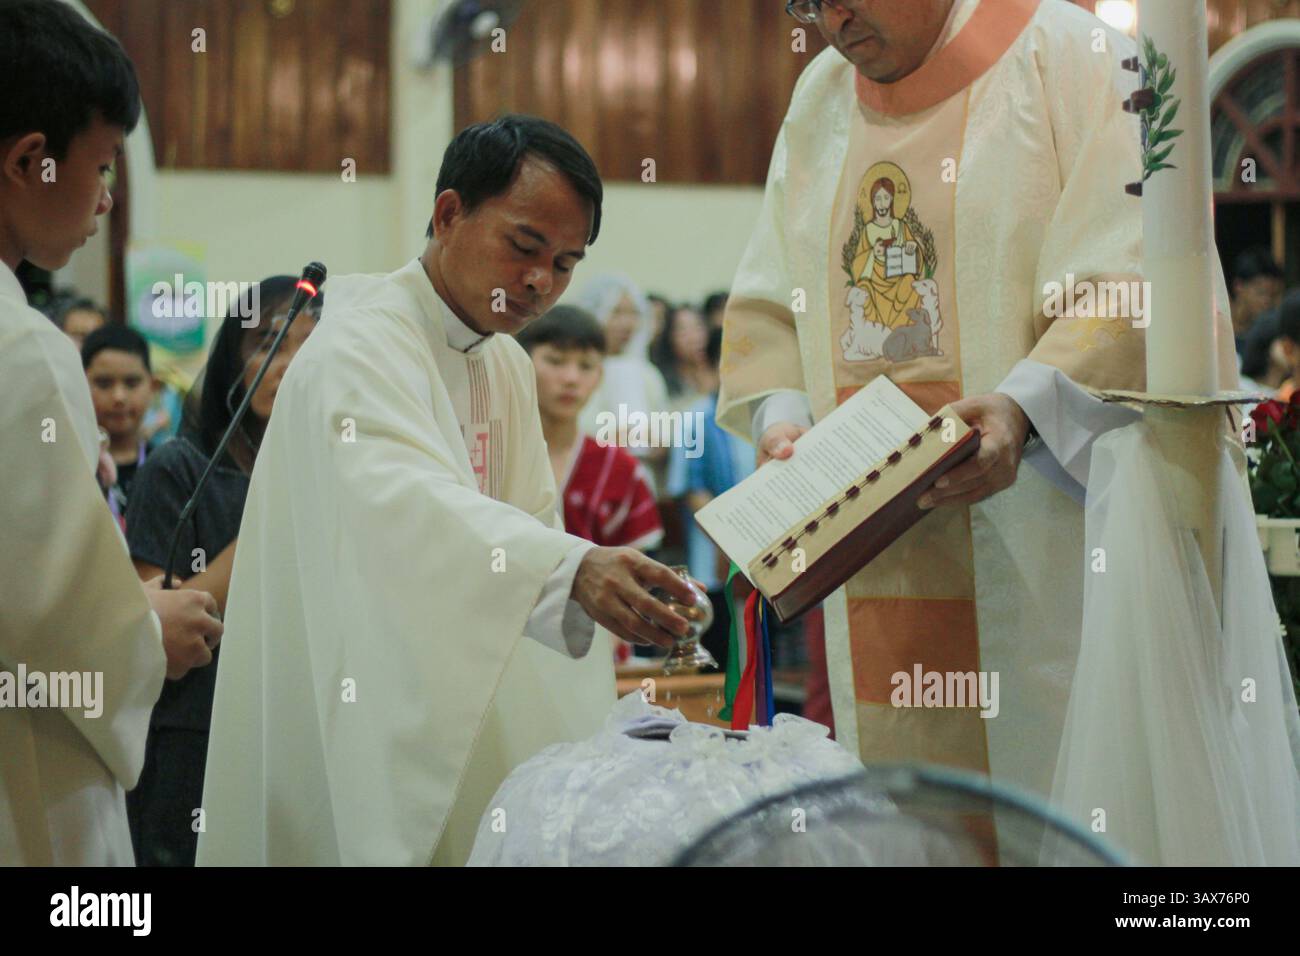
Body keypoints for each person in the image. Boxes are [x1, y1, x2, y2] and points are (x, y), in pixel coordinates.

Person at [717, 0, 1238, 797]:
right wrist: (783, 420)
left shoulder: (1077, 58)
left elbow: (1141, 280)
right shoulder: (821, 97)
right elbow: (767, 303)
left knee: (1058, 799)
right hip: (873, 560)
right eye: (804, 2)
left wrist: (1021, 410)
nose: (829, 18)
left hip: (1045, 533)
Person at [196, 115, 698, 867]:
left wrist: (575, 574)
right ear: (448, 214)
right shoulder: (358, 343)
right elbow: (399, 506)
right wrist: (568, 569)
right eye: (525, 246)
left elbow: (524, 523)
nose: (540, 281)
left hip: (459, 699)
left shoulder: (506, 365)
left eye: (565, 263)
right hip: (358, 695)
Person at [0, 0, 222, 865]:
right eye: (99, 167)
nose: (106, 197)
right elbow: (47, 618)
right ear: (28, 159)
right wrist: (145, 632)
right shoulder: (24, 350)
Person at [124, 277, 320, 866]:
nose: (291, 365)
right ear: (233, 356)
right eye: (269, 344)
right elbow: (157, 627)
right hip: (194, 734)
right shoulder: (177, 468)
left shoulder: (341, 475)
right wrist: (277, 498)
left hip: (300, 731)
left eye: (312, 349)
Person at [516, 305, 663, 552]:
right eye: (555, 361)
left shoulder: (622, 469)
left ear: (600, 376)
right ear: (522, 364)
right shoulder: (495, 455)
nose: (571, 378)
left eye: (586, 366)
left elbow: (635, 573)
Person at [572, 274, 672, 493]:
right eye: (616, 312)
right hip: (588, 483)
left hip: (640, 483)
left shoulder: (646, 373)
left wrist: (656, 443)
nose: (627, 323)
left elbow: (663, 439)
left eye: (633, 313)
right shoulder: (576, 371)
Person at [82, 323, 156, 523]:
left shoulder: (169, 468)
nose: (119, 397)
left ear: (152, 385)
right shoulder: (73, 469)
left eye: (132, 383)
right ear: (80, 384)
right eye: (104, 383)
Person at [651, 304, 716, 413]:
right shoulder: (660, 380)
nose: (694, 338)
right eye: (683, 331)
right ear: (669, 338)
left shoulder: (719, 373)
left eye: (698, 327)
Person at [1229, 246, 1283, 359]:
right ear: (1238, 286)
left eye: (1273, 295)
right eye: (1261, 293)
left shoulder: (1274, 343)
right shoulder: (1218, 333)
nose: (1267, 301)